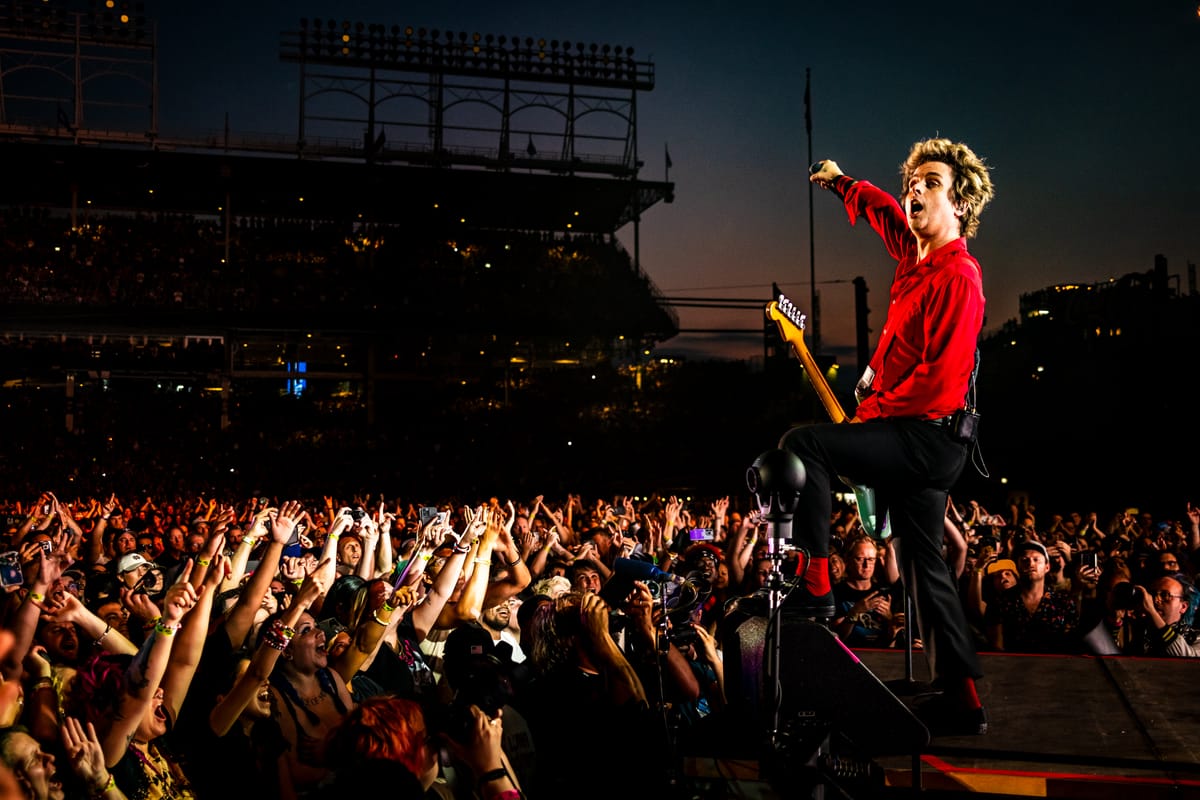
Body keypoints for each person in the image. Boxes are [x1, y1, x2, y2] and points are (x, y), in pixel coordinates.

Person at [784, 140, 994, 736]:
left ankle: (818, 590)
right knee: (927, 567)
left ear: (960, 200)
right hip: (919, 437)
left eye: (930, 181)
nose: (914, 190)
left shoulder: (959, 275)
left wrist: (869, 415)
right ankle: (964, 700)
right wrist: (841, 180)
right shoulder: (915, 256)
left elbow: (938, 384)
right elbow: (881, 210)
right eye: (912, 181)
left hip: (926, 436)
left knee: (805, 445)